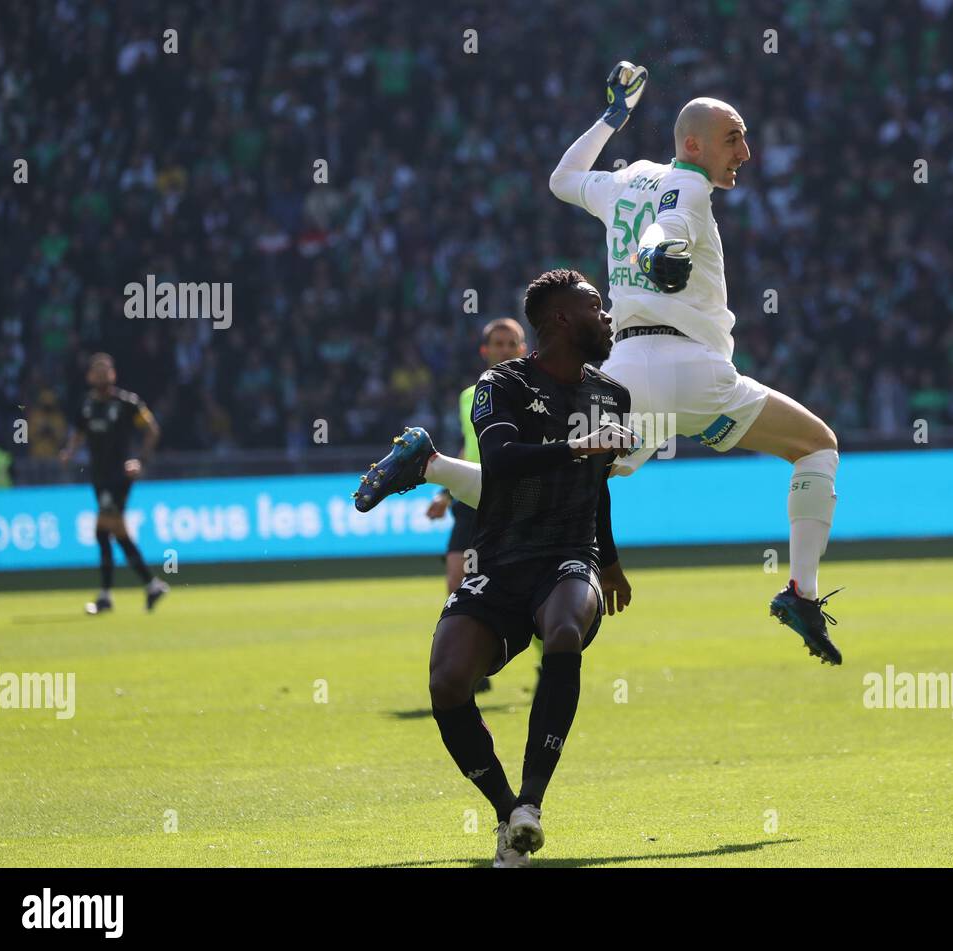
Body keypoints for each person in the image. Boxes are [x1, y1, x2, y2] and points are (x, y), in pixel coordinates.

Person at [420, 63, 844, 665]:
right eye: (735, 138)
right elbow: (668, 227)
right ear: (693, 145)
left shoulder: (625, 182)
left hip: (621, 370)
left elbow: (563, 178)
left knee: (556, 479)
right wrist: (658, 253)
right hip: (691, 370)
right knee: (817, 446)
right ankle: (801, 590)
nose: (745, 153)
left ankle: (431, 464)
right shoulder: (690, 184)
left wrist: (612, 116)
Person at [352, 269, 634, 867]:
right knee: (447, 682)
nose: (607, 315)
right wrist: (579, 447)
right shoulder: (499, 385)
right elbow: (502, 460)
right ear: (561, 318)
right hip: (499, 558)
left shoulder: (612, 394)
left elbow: (598, 484)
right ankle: (509, 814)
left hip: (569, 555)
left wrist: (607, 560)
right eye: (595, 305)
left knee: (563, 633)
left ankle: (533, 799)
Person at [426, 318, 528, 694]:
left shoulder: (530, 393)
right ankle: (474, 663)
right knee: (457, 578)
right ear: (485, 351)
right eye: (497, 343)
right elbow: (469, 449)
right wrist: (445, 492)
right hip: (471, 499)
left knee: (526, 589)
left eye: (510, 343)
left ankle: (548, 656)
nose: (503, 349)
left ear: (522, 349)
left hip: (512, 500)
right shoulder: (470, 396)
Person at [59, 353, 170, 614]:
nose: (101, 375)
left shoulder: (127, 403)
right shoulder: (86, 405)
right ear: (89, 376)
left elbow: (153, 429)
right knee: (117, 533)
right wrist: (69, 452)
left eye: (105, 371)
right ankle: (152, 585)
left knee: (102, 531)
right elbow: (78, 433)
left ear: (113, 375)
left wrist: (141, 460)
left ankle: (106, 597)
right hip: (98, 477)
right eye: (96, 371)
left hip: (119, 477)